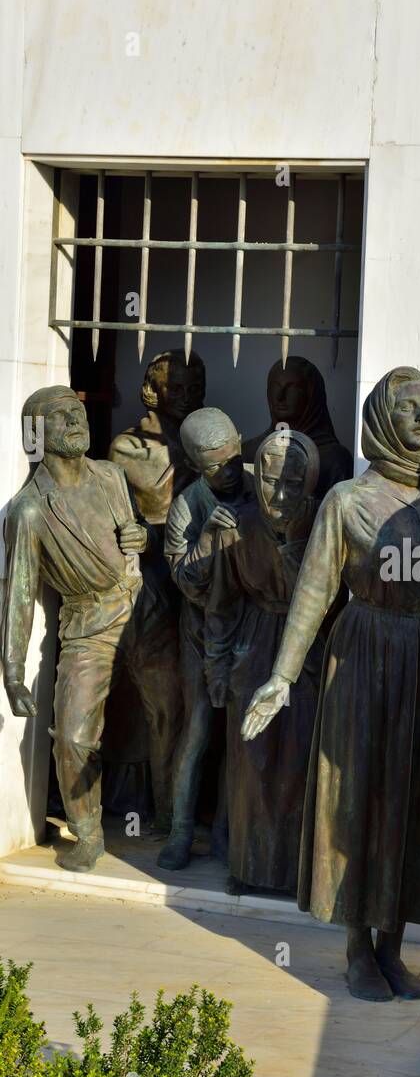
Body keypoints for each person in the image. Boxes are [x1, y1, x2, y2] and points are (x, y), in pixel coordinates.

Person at [242, 367, 420, 1001]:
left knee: (414, 800)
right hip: (365, 653)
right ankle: (355, 945)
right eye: (411, 410)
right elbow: (315, 592)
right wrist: (282, 675)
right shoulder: (346, 501)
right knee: (359, 796)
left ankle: (391, 945)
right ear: (382, 419)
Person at [2, 387, 149, 872]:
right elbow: (19, 593)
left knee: (178, 714)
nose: (74, 420)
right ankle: (87, 832)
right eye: (60, 415)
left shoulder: (110, 476)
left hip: (142, 607)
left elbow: (131, 541)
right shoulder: (28, 510)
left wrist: (137, 538)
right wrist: (13, 669)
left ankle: (173, 820)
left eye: (78, 412)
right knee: (71, 735)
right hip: (88, 623)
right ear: (37, 433)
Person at [204, 430, 324, 896]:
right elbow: (221, 605)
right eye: (270, 482)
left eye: (293, 484)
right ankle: (248, 865)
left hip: (307, 650)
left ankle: (295, 872)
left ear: (309, 482)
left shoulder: (322, 523)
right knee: (251, 761)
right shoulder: (238, 525)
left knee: (298, 762)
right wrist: (218, 666)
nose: (279, 495)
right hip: (253, 643)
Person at [105, 349, 206, 830]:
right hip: (150, 586)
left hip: (196, 582)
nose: (189, 396)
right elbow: (159, 502)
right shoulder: (129, 448)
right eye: (178, 387)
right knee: (154, 701)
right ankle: (150, 807)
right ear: (150, 390)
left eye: (195, 387)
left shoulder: (197, 443)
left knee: (190, 702)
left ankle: (182, 805)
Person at [158, 408, 256, 871]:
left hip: (250, 627)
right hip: (201, 630)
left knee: (243, 735)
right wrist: (208, 539)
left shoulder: (261, 484)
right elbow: (184, 579)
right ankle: (180, 830)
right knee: (197, 731)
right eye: (217, 466)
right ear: (198, 465)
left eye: (235, 456)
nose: (232, 470)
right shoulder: (187, 505)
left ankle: (228, 831)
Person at [241, 356, 353, 499]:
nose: (280, 396)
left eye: (291, 388)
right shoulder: (250, 452)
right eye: (275, 386)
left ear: (311, 394)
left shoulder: (334, 459)